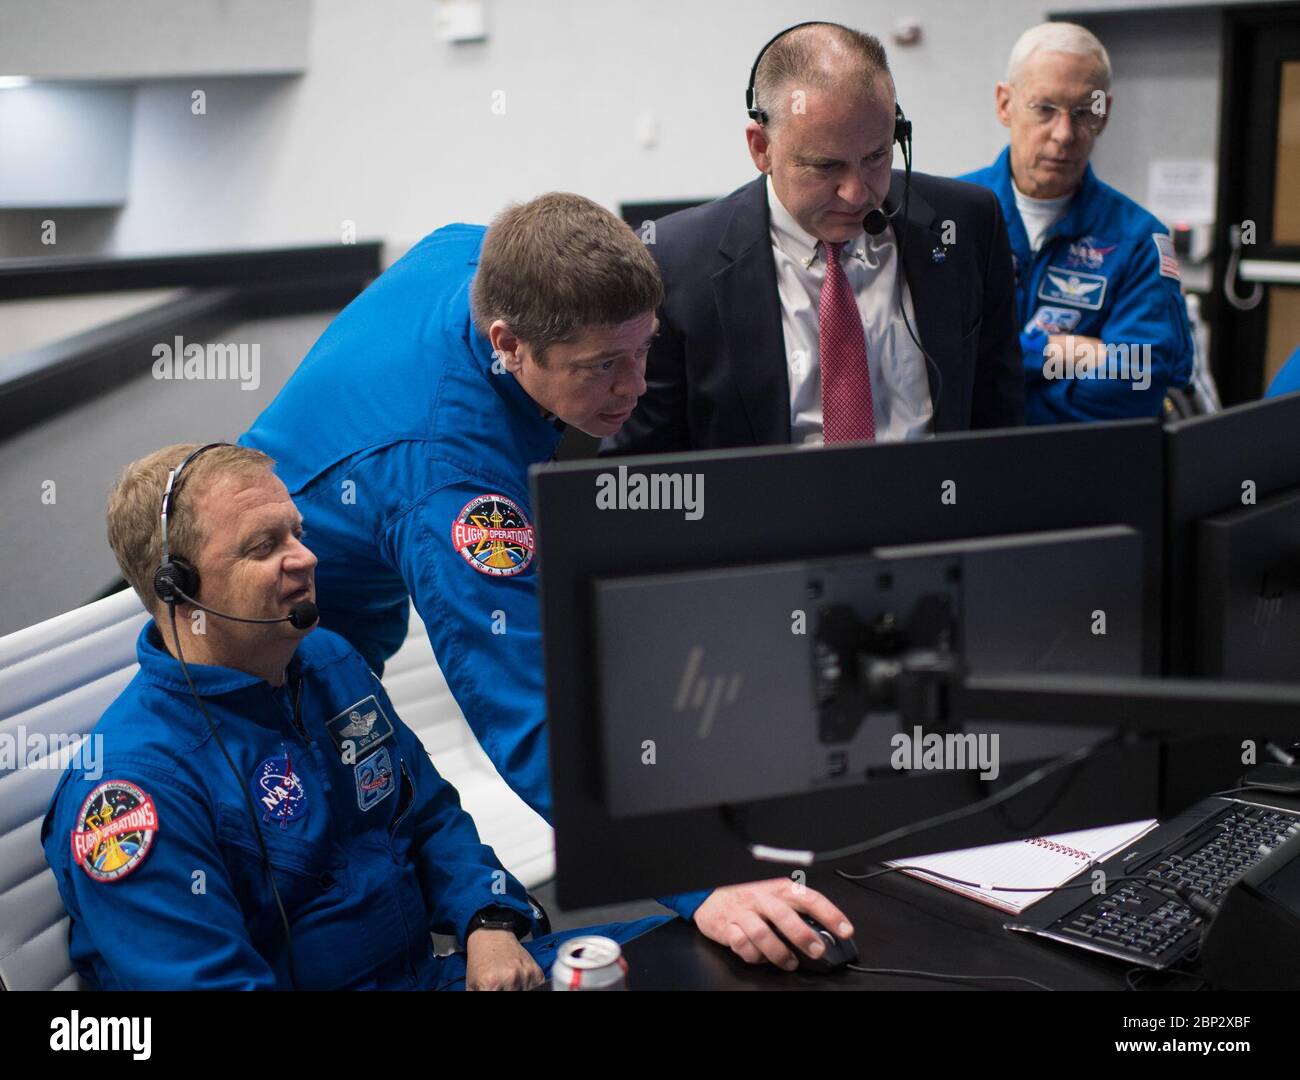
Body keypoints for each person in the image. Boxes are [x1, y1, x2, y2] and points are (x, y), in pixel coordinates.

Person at [240, 194, 855, 973]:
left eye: (643, 349)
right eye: (604, 366)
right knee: (327, 884)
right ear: (509, 344)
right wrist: (703, 883)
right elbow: (527, 712)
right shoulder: (452, 489)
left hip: (356, 537)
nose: (636, 387)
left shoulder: (487, 258)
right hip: (275, 630)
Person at [41, 442, 657, 990]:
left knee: (695, 956)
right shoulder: (128, 794)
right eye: (264, 546)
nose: (304, 558)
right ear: (178, 587)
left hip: (438, 973)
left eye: (297, 533)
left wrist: (489, 921)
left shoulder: (328, 660)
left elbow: (429, 816)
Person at [604, 21, 1022, 455]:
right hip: (762, 520)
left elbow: (1001, 415)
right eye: (826, 166)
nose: (857, 192)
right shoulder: (674, 262)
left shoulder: (968, 223)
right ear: (761, 148)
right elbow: (643, 465)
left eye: (877, 156)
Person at [960, 22, 1196, 423]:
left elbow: (1140, 376)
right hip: (963, 471)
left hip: (1078, 469)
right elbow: (923, 359)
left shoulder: (1139, 238)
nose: (1064, 134)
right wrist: (1061, 353)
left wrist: (1005, 378)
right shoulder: (950, 215)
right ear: (1005, 104)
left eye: (1084, 112)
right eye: (1045, 109)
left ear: (1104, 114)